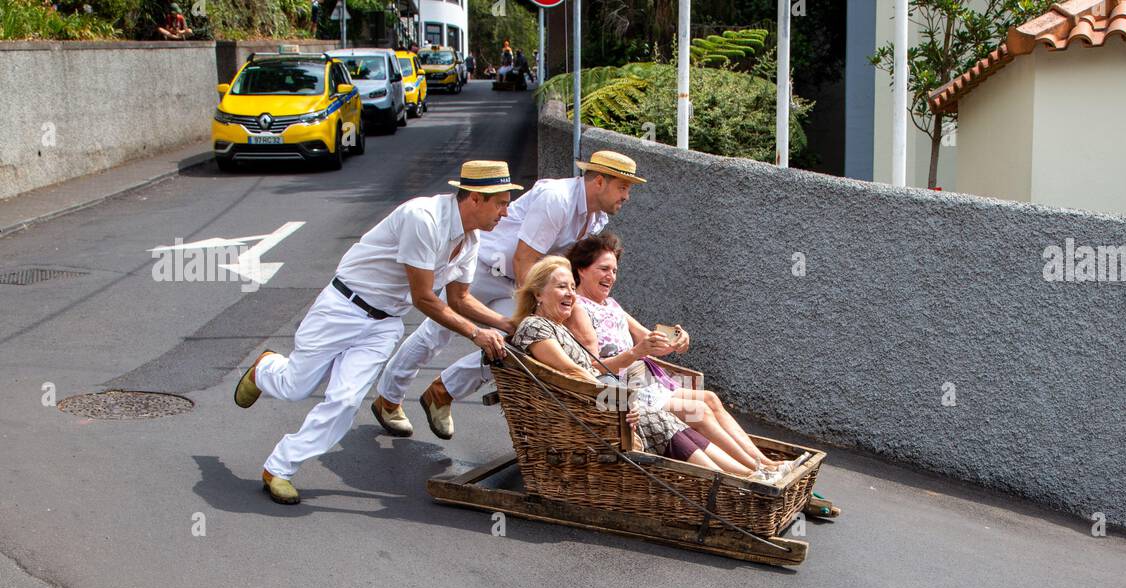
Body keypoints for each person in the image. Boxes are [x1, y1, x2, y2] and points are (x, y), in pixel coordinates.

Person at [232, 160, 522, 505]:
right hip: (343, 307)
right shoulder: (423, 219)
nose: (506, 212)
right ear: (475, 198)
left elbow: (459, 298)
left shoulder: (470, 240)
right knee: (295, 387)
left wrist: (506, 324)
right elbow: (424, 298)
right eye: (501, 203)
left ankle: (279, 468)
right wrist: (477, 334)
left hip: (384, 325)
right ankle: (265, 368)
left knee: (344, 400)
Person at [370, 150, 644, 440]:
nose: (626, 196)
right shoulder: (558, 199)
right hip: (484, 268)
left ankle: (442, 391)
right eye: (622, 187)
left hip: (517, 282)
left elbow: (556, 266)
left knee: (519, 345)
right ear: (599, 181)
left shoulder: (596, 217)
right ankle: (389, 399)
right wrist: (541, 312)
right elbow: (524, 258)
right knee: (435, 334)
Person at [564, 232, 794, 479]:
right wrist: (636, 352)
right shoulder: (579, 308)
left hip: (647, 382)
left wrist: (677, 339)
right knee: (699, 411)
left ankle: (765, 463)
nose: (611, 276)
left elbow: (650, 338)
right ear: (581, 270)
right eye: (604, 269)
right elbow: (594, 367)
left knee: (710, 399)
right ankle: (755, 471)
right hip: (625, 390)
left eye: (615, 271)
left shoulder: (610, 304)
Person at [512, 257, 757, 476]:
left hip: (620, 391)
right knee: (681, 416)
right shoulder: (540, 324)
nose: (570, 294)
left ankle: (751, 470)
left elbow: (645, 340)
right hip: (597, 403)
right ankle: (734, 478)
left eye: (571, 288)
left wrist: (677, 338)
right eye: (561, 287)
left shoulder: (585, 316)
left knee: (689, 409)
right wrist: (621, 399)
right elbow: (574, 372)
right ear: (538, 294)